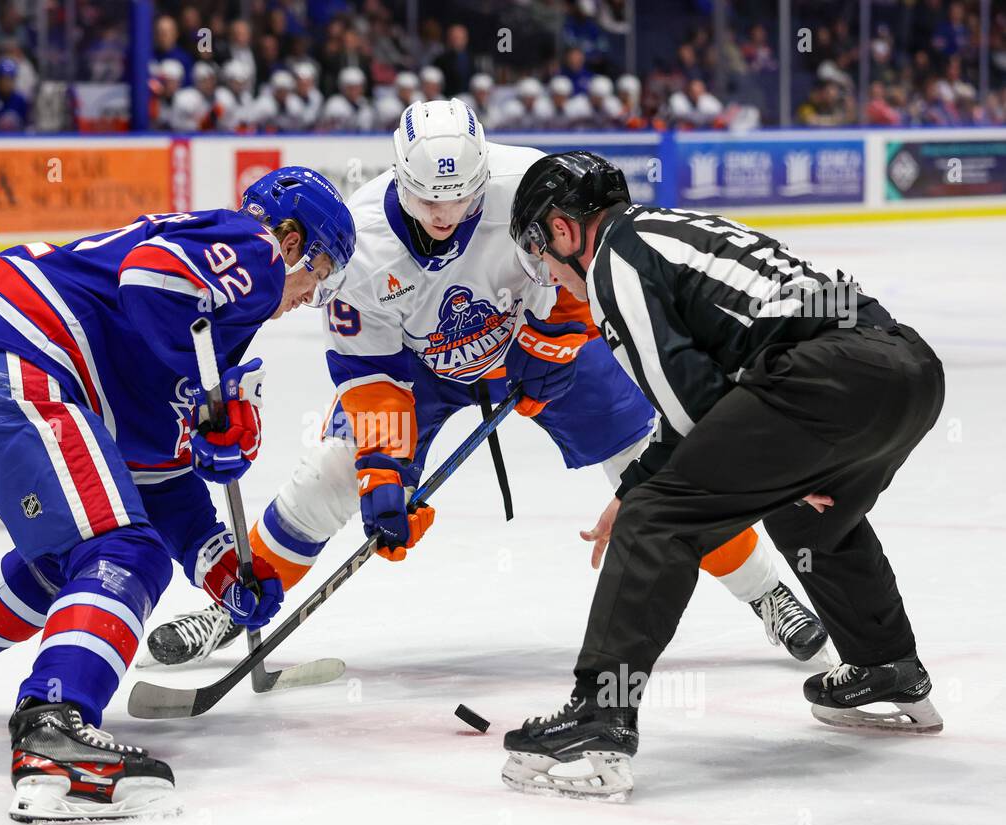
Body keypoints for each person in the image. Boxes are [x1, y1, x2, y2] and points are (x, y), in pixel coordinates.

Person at [140, 102, 826, 672]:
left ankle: (767, 593)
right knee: (334, 472)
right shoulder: (359, 241)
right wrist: (383, 476)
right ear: (399, 175)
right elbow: (372, 376)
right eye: (429, 199)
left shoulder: (533, 182)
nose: (445, 215)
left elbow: (598, 264)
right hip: (419, 366)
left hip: (535, 343)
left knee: (654, 465)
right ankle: (231, 605)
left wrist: (553, 338)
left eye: (461, 197)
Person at [0, 168, 356, 823]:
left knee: (72, 555)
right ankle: (54, 732)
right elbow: (150, 274)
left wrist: (221, 568)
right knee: (125, 552)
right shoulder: (255, 248)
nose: (309, 296)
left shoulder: (213, 331)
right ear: (294, 241)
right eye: (319, 273)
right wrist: (208, 400)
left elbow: (160, 483)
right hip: (15, 354)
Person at [503, 151, 945, 801]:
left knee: (661, 518)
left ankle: (599, 717)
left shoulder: (615, 261)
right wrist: (780, 466)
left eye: (538, 254)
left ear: (563, 232)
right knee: (808, 513)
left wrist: (641, 498)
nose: (545, 274)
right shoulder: (664, 229)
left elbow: (691, 406)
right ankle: (885, 667)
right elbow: (713, 410)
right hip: (906, 368)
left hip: (826, 375)